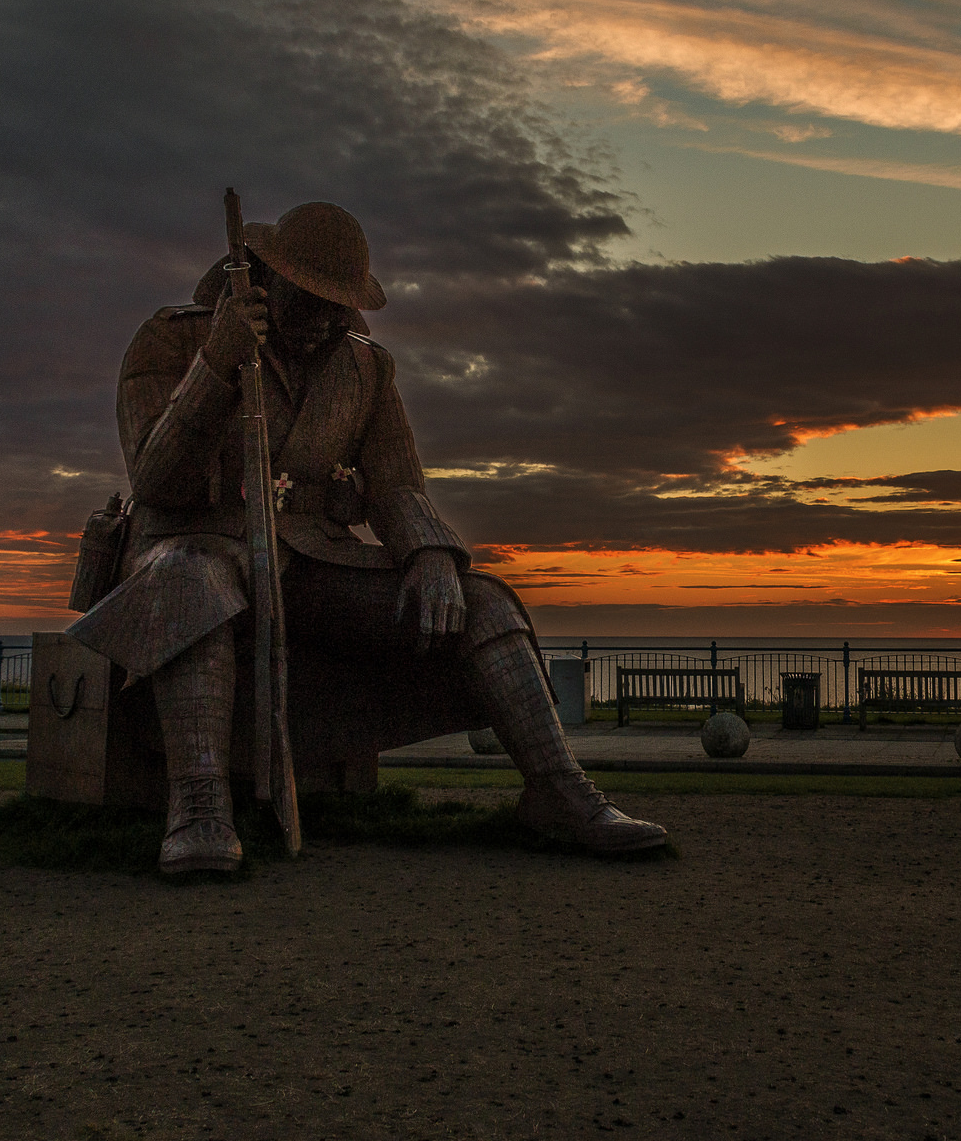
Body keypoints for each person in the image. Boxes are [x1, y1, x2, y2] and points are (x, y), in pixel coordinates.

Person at [68, 202, 666, 872]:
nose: (328, 317)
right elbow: (155, 479)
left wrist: (432, 552)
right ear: (268, 275)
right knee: (190, 579)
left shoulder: (368, 371)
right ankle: (201, 805)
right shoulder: (173, 339)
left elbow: (398, 486)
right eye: (314, 298)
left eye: (339, 304)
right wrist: (217, 364)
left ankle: (561, 792)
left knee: (486, 602)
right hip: (195, 544)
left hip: (311, 559)